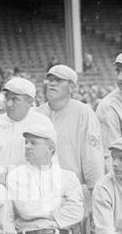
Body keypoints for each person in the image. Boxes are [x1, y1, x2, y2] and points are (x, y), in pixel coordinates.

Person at [35, 64, 104, 207]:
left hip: (73, 193)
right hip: (40, 193)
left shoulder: (83, 113)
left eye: (59, 80)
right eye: (50, 79)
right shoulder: (37, 114)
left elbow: (92, 156)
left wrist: (95, 194)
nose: (52, 83)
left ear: (72, 88)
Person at [0, 76, 37, 184]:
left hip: (27, 190)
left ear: (30, 102)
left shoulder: (41, 126)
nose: (8, 104)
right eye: (7, 98)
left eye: (15, 99)